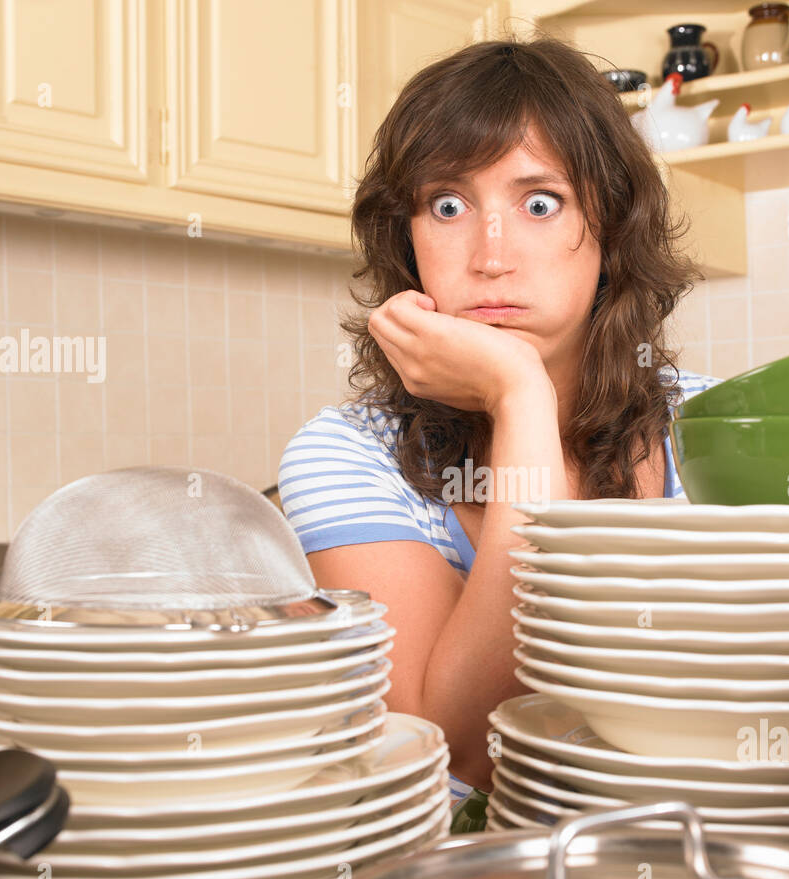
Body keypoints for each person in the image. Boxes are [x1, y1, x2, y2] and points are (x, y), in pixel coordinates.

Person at [277, 33, 718, 819]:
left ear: (611, 228)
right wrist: (520, 397)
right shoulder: (345, 454)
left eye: (539, 202)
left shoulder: (721, 425)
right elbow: (466, 750)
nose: (490, 255)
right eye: (448, 205)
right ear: (407, 240)